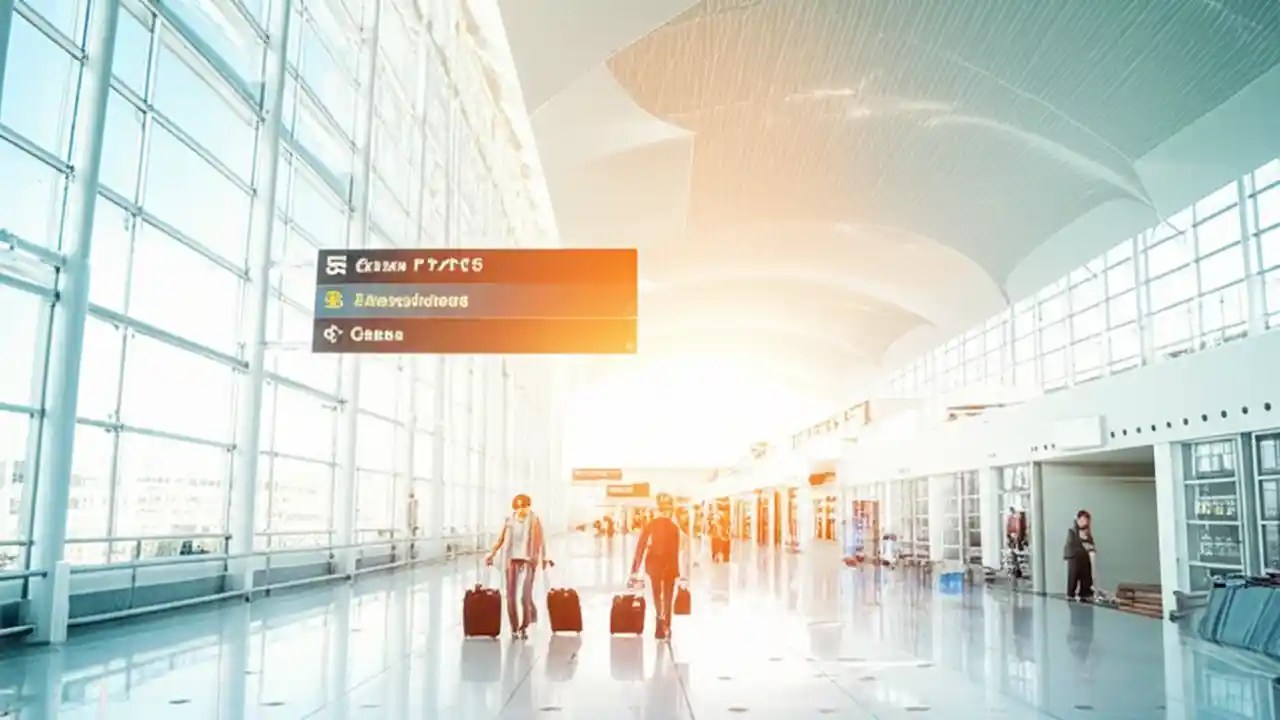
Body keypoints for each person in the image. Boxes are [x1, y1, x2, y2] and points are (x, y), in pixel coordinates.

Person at [485, 493, 550, 639]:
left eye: (525, 506)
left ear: (529, 506)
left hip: (528, 559)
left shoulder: (534, 521)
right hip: (511, 559)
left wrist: (544, 557)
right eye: (519, 506)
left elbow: (541, 541)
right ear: (515, 507)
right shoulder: (509, 521)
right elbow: (500, 539)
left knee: (525, 595)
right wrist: (491, 553)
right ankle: (514, 627)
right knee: (510, 595)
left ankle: (524, 626)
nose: (522, 510)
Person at [629, 492, 688, 639]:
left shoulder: (651, 525)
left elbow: (640, 546)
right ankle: (667, 624)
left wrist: (635, 568)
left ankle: (658, 619)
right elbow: (676, 550)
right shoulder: (674, 527)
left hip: (654, 564)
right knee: (668, 594)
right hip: (670, 565)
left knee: (656, 592)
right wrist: (678, 572)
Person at [1063, 509, 1096, 602]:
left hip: (1085, 559)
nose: (1084, 522)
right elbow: (1071, 545)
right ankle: (1071, 595)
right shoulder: (1072, 531)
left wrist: (1089, 547)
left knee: (1086, 578)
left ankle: (1086, 594)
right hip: (1075, 558)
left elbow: (1092, 545)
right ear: (1078, 520)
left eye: (1086, 520)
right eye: (1083, 519)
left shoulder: (1088, 533)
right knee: (1073, 579)